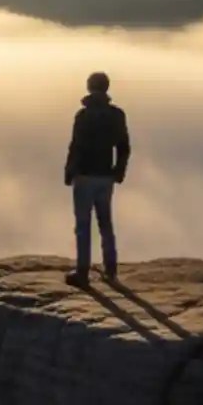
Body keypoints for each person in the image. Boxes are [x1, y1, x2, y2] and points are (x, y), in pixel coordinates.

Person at [64, 72, 130, 287]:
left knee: (83, 225)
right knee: (106, 223)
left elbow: (76, 146)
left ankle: (82, 272)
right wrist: (118, 172)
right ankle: (110, 270)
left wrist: (69, 172)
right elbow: (123, 147)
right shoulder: (117, 115)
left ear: (89, 87)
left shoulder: (83, 116)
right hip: (106, 176)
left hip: (84, 176)